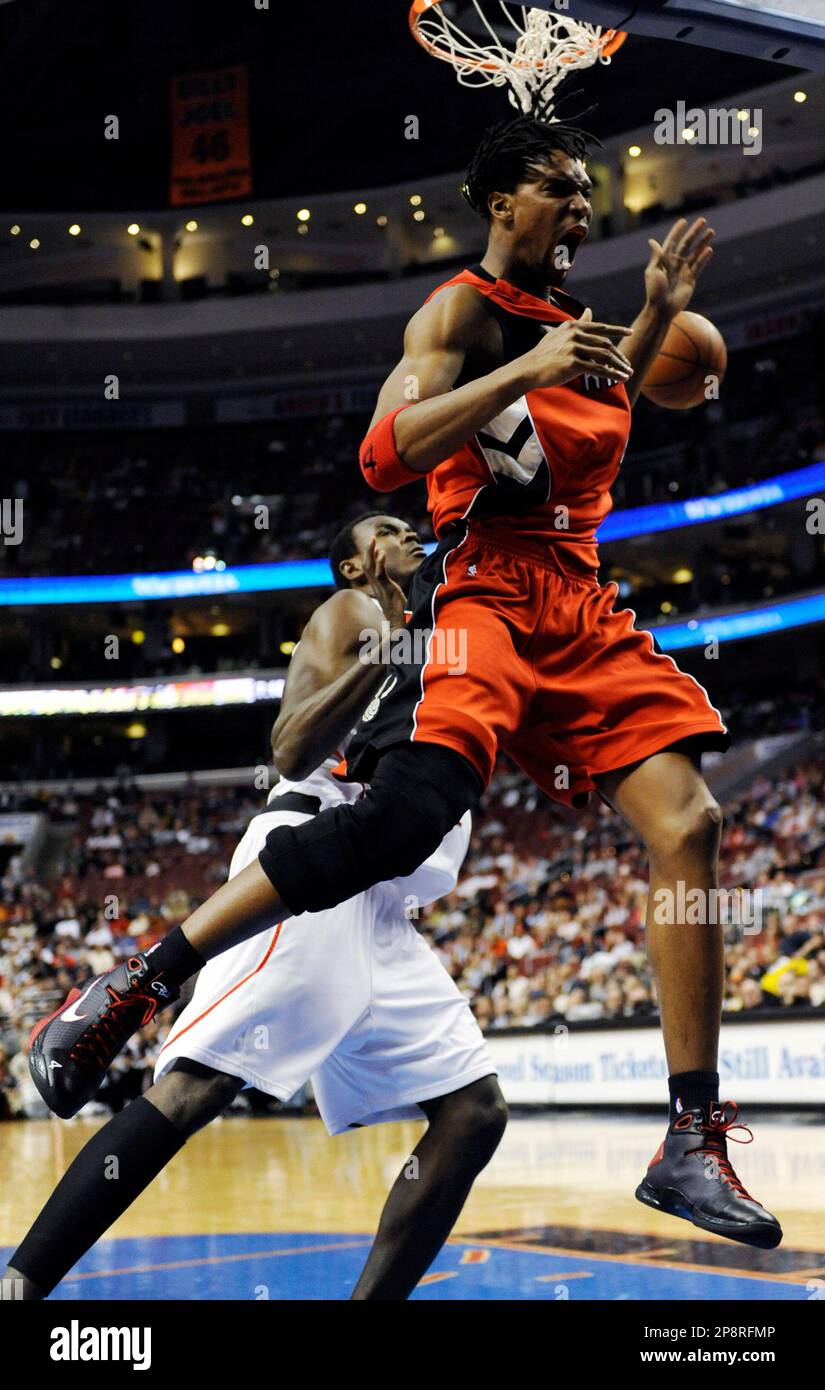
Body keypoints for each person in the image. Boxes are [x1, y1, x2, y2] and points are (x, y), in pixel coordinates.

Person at [28, 115, 780, 1249]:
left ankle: (689, 1137)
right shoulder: (458, 315)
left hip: (576, 598)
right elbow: (385, 457)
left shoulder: (582, 331)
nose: (580, 205)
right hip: (484, 588)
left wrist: (665, 315)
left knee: (691, 822)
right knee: (402, 818)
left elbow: (611, 392)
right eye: (558, 188)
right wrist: (521, 368)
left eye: (586, 190)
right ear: (500, 204)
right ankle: (141, 980)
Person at [6, 513, 506, 1301]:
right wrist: (387, 654)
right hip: (311, 867)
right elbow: (289, 748)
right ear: (352, 564)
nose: (407, 531)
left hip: (382, 904)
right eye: (385, 526)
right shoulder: (357, 614)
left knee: (473, 1112)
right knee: (197, 1087)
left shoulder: (438, 638)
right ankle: (20, 1286)